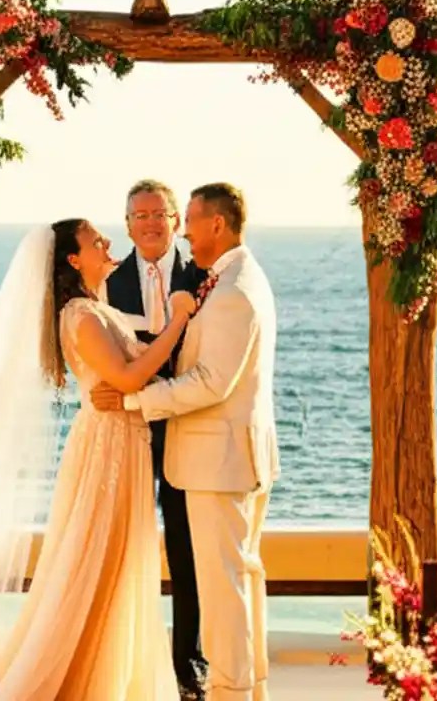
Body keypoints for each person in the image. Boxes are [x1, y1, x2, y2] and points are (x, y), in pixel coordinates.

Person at [0, 218, 196, 700]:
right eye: (95, 240)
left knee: (119, 565)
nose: (106, 242)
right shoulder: (81, 315)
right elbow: (128, 377)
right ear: (74, 260)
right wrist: (180, 319)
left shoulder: (97, 308)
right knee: (97, 560)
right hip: (109, 448)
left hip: (123, 442)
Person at [92, 183, 279, 701]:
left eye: (181, 220)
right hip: (190, 445)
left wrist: (134, 400)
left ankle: (221, 684)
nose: (184, 233)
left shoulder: (227, 287)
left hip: (206, 449)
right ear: (127, 223)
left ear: (201, 223)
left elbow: (212, 381)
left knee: (219, 580)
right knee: (237, 575)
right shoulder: (232, 278)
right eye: (140, 215)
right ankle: (244, 684)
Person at [102, 179, 209, 700]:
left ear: (174, 221)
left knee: (187, 551)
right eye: (138, 215)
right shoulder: (108, 283)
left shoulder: (205, 277)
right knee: (123, 546)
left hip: (188, 432)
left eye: (158, 214)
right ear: (126, 225)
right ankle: (119, 661)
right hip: (127, 431)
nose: (148, 223)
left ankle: (189, 668)